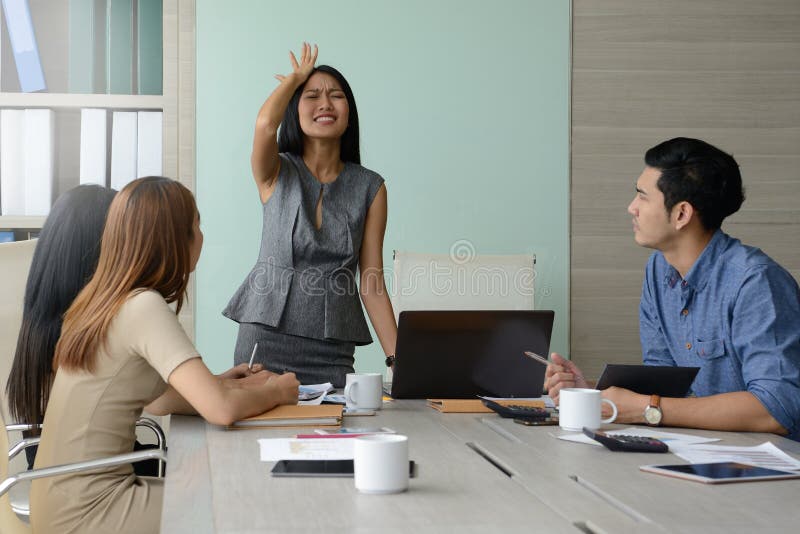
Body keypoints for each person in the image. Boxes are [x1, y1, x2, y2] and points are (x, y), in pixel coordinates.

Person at [30, 177, 299, 533]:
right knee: (236, 497)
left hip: (57, 499)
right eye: (196, 225)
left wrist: (217, 384)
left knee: (214, 489)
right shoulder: (143, 306)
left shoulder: (101, 300)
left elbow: (158, 400)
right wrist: (278, 391)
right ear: (174, 240)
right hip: (90, 512)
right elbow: (220, 410)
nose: (202, 236)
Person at [545, 137, 800, 440]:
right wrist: (590, 393)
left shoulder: (756, 282)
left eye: (642, 197)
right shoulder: (658, 269)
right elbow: (665, 383)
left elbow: (777, 408)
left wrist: (643, 408)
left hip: (770, 469)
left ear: (681, 214)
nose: (631, 208)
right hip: (704, 452)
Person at [224, 43, 397, 387]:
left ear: (349, 112)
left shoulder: (371, 188)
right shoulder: (275, 171)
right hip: (264, 340)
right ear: (295, 110)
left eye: (336, 96)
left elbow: (371, 281)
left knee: (334, 437)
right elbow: (263, 125)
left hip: (331, 348)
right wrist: (294, 80)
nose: (325, 104)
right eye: (312, 96)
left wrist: (398, 359)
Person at [6, 185, 116, 470]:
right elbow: (163, 399)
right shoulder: (82, 330)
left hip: (52, 473)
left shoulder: (41, 324)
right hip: (85, 481)